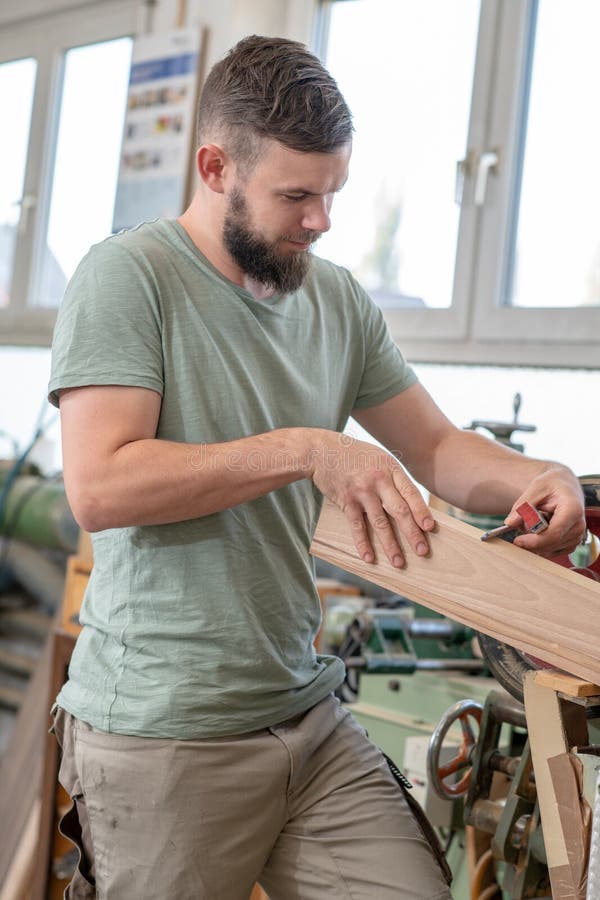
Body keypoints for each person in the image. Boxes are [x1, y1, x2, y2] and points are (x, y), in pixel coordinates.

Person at [48, 34, 585, 900]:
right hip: (165, 729)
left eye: (332, 193)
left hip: (304, 712)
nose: (320, 221)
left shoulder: (332, 297)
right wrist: (307, 447)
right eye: (295, 195)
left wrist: (539, 474)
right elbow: (102, 486)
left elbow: (440, 449)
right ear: (216, 166)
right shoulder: (129, 277)